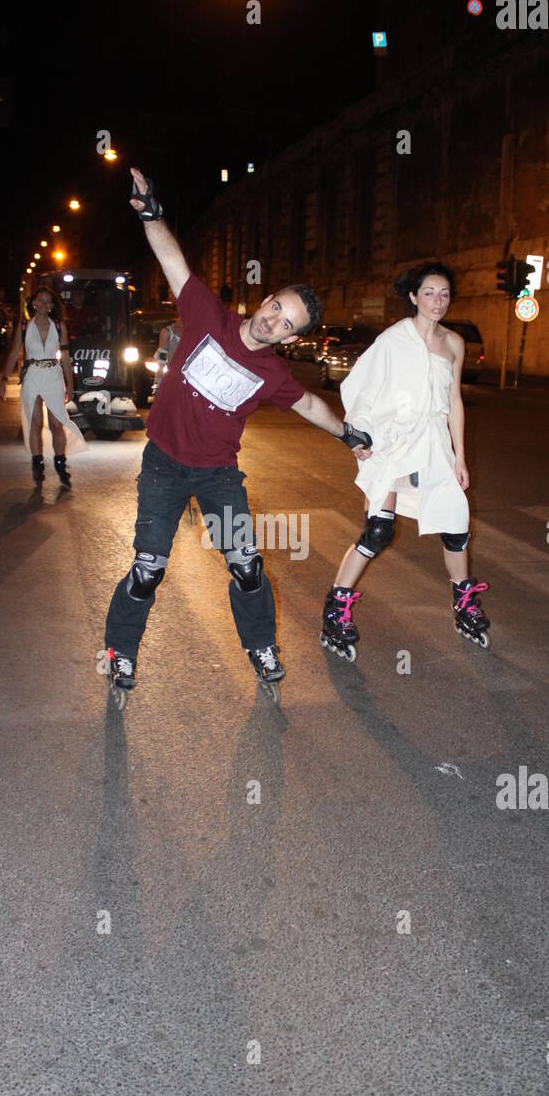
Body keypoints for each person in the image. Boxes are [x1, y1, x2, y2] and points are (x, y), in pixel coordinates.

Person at [103, 165, 371, 705]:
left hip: (218, 476)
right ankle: (118, 650)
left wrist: (348, 434)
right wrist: (151, 211)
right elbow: (172, 260)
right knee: (148, 568)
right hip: (163, 464)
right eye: (277, 308)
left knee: (247, 566)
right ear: (267, 298)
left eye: (287, 324)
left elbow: (311, 405)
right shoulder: (207, 315)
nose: (274, 322)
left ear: (291, 338)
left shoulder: (272, 374)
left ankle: (261, 646)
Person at [321, 262, 491, 660]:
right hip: (393, 442)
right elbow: (360, 384)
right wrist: (358, 435)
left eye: (445, 294)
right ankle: (336, 608)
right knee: (378, 532)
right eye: (430, 292)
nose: (438, 300)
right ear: (414, 297)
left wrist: (460, 456)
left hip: (434, 444)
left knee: (455, 524)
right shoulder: (394, 339)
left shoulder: (454, 344)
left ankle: (464, 604)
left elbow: (453, 403)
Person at [0, 285, 87, 487]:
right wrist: (3, 379)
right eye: (40, 300)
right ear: (34, 303)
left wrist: (70, 385)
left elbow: (65, 357)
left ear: (51, 306)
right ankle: (37, 464)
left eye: (48, 301)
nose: (44, 304)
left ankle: (60, 464)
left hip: (53, 376)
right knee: (35, 424)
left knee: (57, 424)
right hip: (32, 375)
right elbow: (14, 354)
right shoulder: (24, 327)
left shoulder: (58, 327)